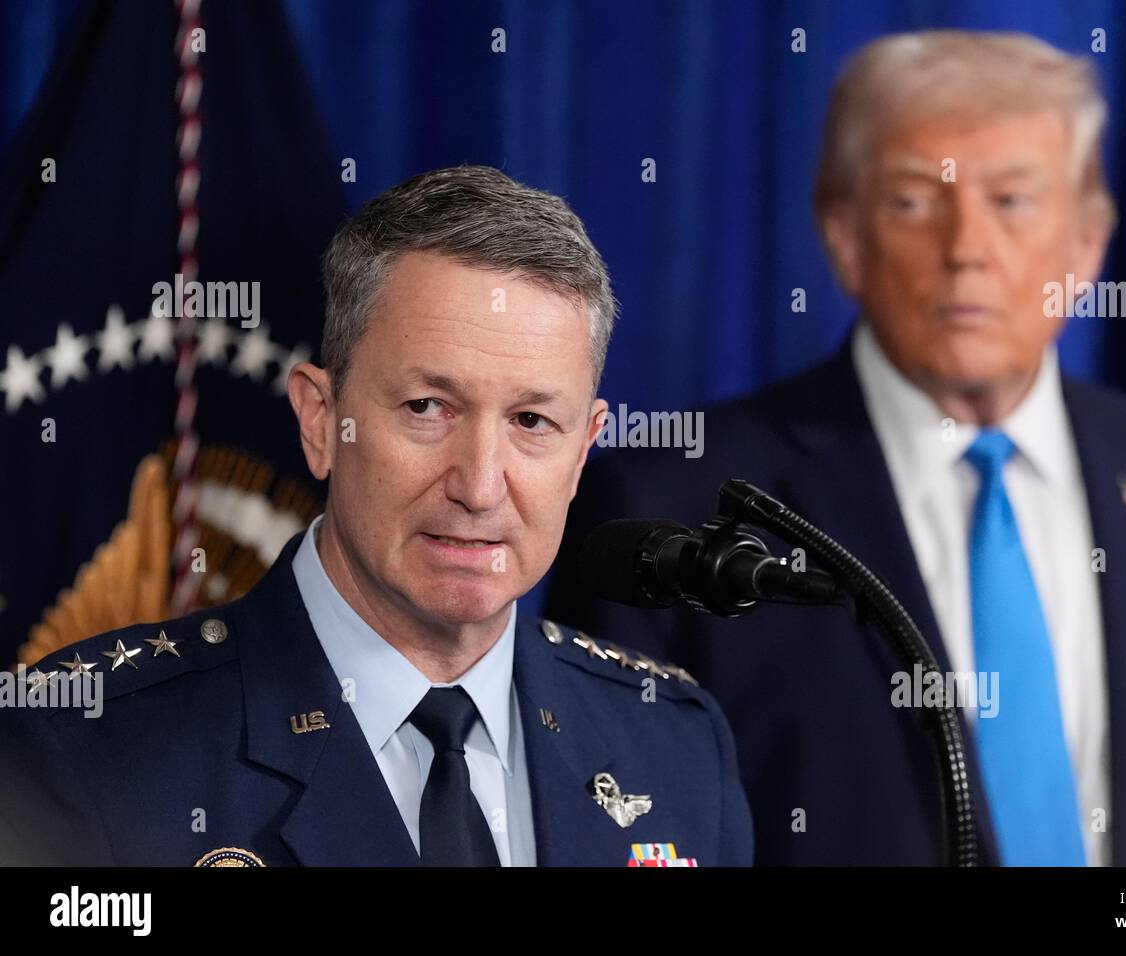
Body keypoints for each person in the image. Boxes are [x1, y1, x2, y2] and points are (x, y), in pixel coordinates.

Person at [547, 31, 1126, 866]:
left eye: (1012, 200)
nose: (966, 249)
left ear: (1087, 243)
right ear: (844, 236)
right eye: (914, 201)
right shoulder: (669, 508)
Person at [0, 165, 752, 867]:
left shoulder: (676, 747)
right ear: (321, 421)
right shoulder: (85, 750)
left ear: (584, 450)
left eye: (531, 421)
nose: (481, 486)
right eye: (428, 408)